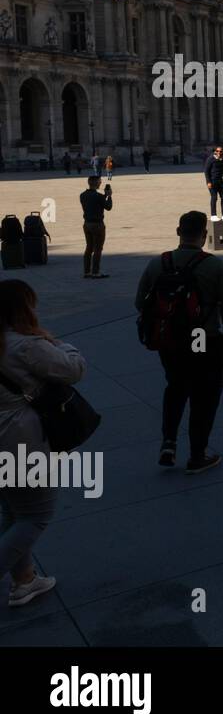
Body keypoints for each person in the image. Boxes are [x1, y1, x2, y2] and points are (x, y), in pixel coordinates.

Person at [0, 280, 86, 607]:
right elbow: (74, 369)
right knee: (36, 515)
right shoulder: (25, 345)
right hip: (18, 440)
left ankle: (24, 581)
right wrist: (59, 344)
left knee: (12, 510)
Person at [134, 212, 223, 474]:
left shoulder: (158, 263)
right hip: (202, 337)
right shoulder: (215, 266)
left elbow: (139, 302)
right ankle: (197, 453)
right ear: (205, 235)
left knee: (176, 386)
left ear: (178, 231)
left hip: (168, 339)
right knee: (204, 394)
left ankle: (168, 442)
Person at [78, 175, 113, 279]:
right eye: (99, 182)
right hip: (98, 225)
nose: (100, 183)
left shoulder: (82, 195)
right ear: (96, 183)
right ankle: (96, 272)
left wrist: (104, 196)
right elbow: (108, 207)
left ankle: (87, 271)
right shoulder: (99, 196)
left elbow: (95, 202)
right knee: (98, 248)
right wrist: (109, 196)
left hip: (87, 224)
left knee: (89, 248)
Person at [204, 145, 223, 220]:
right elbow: (206, 171)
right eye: (217, 151)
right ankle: (213, 215)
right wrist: (208, 182)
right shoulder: (210, 159)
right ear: (215, 151)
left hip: (220, 181)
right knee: (214, 198)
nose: (219, 152)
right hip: (212, 181)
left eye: (221, 151)